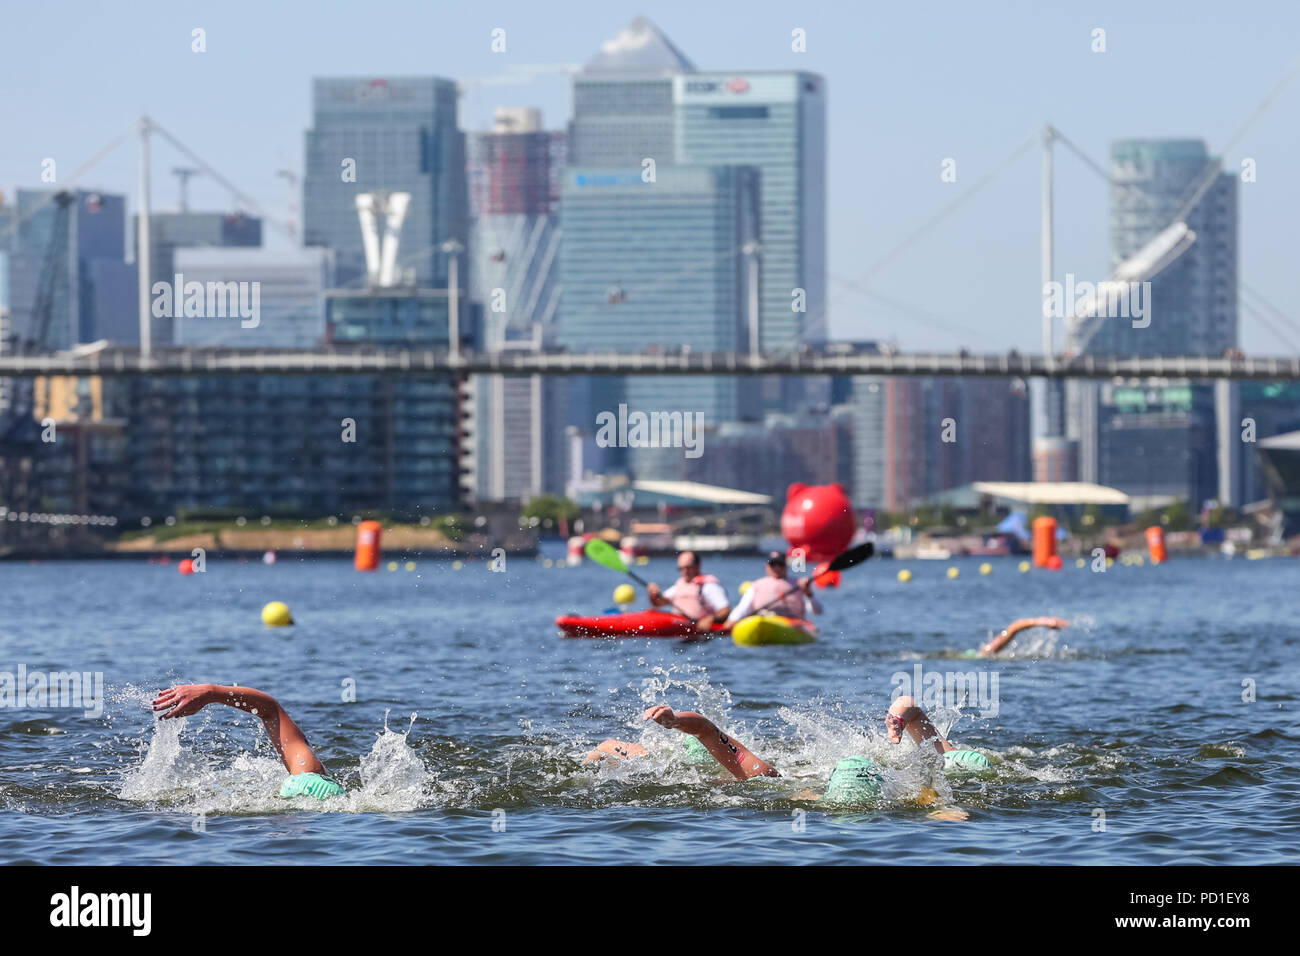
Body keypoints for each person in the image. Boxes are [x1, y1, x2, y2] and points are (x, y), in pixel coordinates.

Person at [587, 702, 975, 818]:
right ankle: (608, 747)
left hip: (709, 759)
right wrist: (673, 722)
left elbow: (706, 730)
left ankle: (605, 750)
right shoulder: (766, 778)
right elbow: (705, 730)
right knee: (653, 755)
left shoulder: (804, 796)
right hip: (694, 750)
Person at [152, 683, 344, 800]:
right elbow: (271, 710)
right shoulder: (311, 774)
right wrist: (211, 693)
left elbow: (270, 709)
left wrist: (210, 692)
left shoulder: (308, 774)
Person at [646, 550, 731, 638]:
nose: (685, 572)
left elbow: (726, 610)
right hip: (681, 633)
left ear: (698, 566)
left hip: (702, 636)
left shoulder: (708, 586)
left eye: (688, 567)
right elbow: (658, 603)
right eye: (681, 569)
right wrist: (653, 594)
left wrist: (711, 619)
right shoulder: (679, 585)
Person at [726, 551, 822, 624]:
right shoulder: (756, 585)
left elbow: (818, 611)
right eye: (773, 564)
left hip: (792, 623)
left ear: (785, 566)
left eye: (780, 564)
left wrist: (809, 593)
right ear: (767, 566)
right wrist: (731, 622)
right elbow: (742, 608)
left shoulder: (799, 584)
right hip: (763, 620)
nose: (777, 568)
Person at [977, 616, 1069, 656]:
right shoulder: (984, 652)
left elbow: (1013, 628)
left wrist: (1040, 622)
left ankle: (1040, 620)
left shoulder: (985, 652)